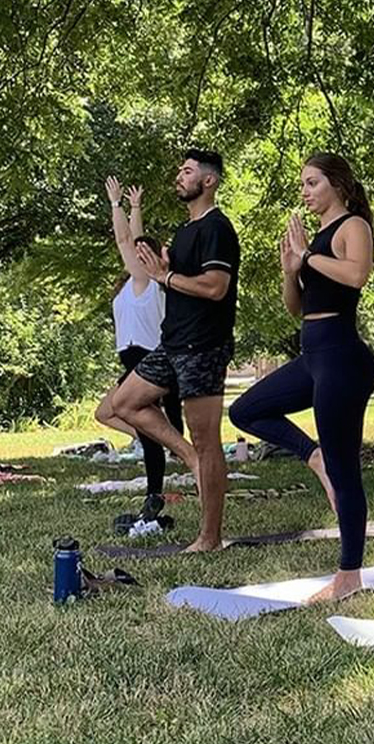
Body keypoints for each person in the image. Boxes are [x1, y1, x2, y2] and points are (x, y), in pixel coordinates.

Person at [229, 154, 374, 601]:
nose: (305, 191)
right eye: (303, 184)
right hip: (312, 355)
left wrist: (308, 256)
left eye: (312, 182)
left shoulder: (353, 226)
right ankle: (312, 456)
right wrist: (290, 271)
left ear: (336, 183)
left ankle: (349, 576)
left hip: (342, 358)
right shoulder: (315, 242)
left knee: (346, 469)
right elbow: (296, 308)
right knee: (246, 410)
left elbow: (356, 275)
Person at [111, 150, 241, 553]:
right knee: (125, 402)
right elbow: (180, 283)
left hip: (203, 345)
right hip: (172, 343)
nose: (179, 177)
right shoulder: (185, 233)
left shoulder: (217, 228)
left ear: (208, 181)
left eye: (187, 172)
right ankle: (184, 452)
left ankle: (210, 537)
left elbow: (215, 288)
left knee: (208, 440)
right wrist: (164, 274)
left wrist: (165, 275)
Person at [94, 178, 184, 523]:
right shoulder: (132, 285)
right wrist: (133, 209)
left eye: (140, 252)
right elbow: (132, 241)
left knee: (146, 432)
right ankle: (164, 442)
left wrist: (121, 205)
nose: (133, 252)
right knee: (107, 412)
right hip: (134, 362)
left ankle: (154, 492)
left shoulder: (149, 282)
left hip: (149, 361)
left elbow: (126, 240)